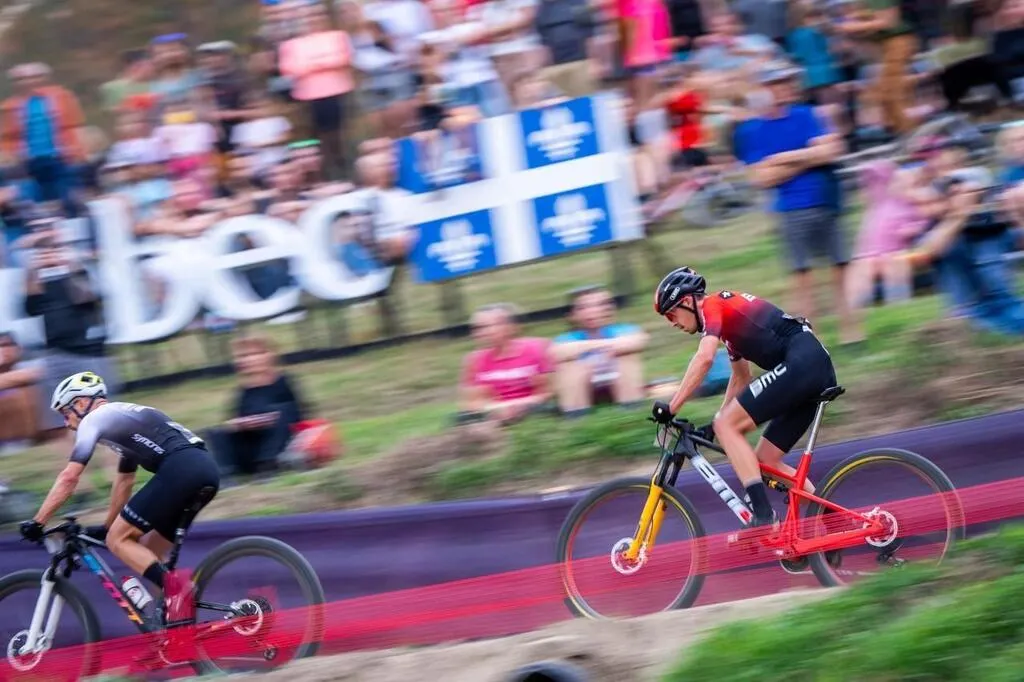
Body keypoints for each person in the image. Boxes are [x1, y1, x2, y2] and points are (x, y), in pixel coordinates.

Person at [19, 372, 220, 626]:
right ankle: (175, 632)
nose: (67, 423)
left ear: (81, 403)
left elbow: (70, 477)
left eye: (65, 413)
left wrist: (38, 521)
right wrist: (107, 526)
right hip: (206, 470)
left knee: (120, 540)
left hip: (182, 469)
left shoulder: (95, 419)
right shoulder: (124, 421)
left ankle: (180, 589)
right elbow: (124, 481)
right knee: (146, 554)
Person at [649, 267, 838, 530]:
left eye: (671, 314)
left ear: (688, 302)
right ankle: (836, 521)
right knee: (765, 462)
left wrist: (672, 406)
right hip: (812, 367)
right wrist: (715, 424)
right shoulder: (728, 328)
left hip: (803, 364)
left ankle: (763, 516)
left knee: (729, 426)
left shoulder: (713, 305)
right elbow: (740, 379)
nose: (672, 322)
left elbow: (704, 359)